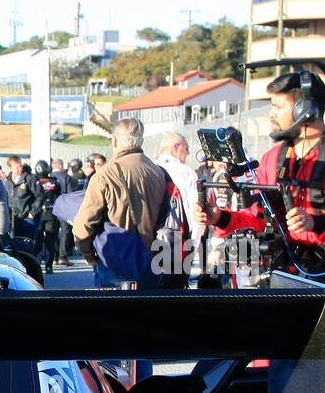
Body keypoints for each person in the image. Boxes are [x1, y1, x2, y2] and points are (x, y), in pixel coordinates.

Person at [190, 71, 325, 360]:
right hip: (282, 282)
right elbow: (258, 216)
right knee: (265, 371)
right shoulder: (273, 158)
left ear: (306, 110)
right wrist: (221, 218)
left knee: (316, 379)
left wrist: (316, 223)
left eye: (278, 107)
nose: (271, 114)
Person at [72, 116, 180, 288]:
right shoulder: (159, 173)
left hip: (114, 258)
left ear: (114, 140)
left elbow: (84, 222)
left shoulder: (105, 174)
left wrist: (88, 253)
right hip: (150, 259)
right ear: (141, 140)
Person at [155, 132, 204, 250]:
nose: (188, 153)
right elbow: (196, 207)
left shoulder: (151, 169)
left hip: (154, 237)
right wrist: (195, 240)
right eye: (186, 148)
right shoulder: (186, 172)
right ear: (176, 147)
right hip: (180, 239)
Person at [33, 159, 63, 274]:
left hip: (39, 213)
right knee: (51, 240)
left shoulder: (35, 181)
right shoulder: (54, 182)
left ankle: (36, 265)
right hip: (51, 214)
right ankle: (49, 265)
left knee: (37, 241)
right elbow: (59, 197)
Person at [5, 156, 42, 241]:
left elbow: (41, 196)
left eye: (20, 165)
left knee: (27, 243)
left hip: (28, 217)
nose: (20, 168)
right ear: (10, 168)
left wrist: (33, 212)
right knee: (15, 243)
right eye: (16, 167)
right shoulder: (8, 182)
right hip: (15, 218)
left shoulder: (31, 178)